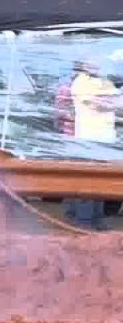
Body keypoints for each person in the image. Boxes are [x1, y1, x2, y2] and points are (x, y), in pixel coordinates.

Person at [63, 58, 120, 229]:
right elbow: (99, 104)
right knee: (86, 180)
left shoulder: (105, 81)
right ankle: (83, 222)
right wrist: (113, 101)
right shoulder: (81, 83)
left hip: (105, 138)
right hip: (87, 139)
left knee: (100, 180)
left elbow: (117, 105)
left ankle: (97, 219)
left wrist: (113, 102)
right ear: (84, 65)